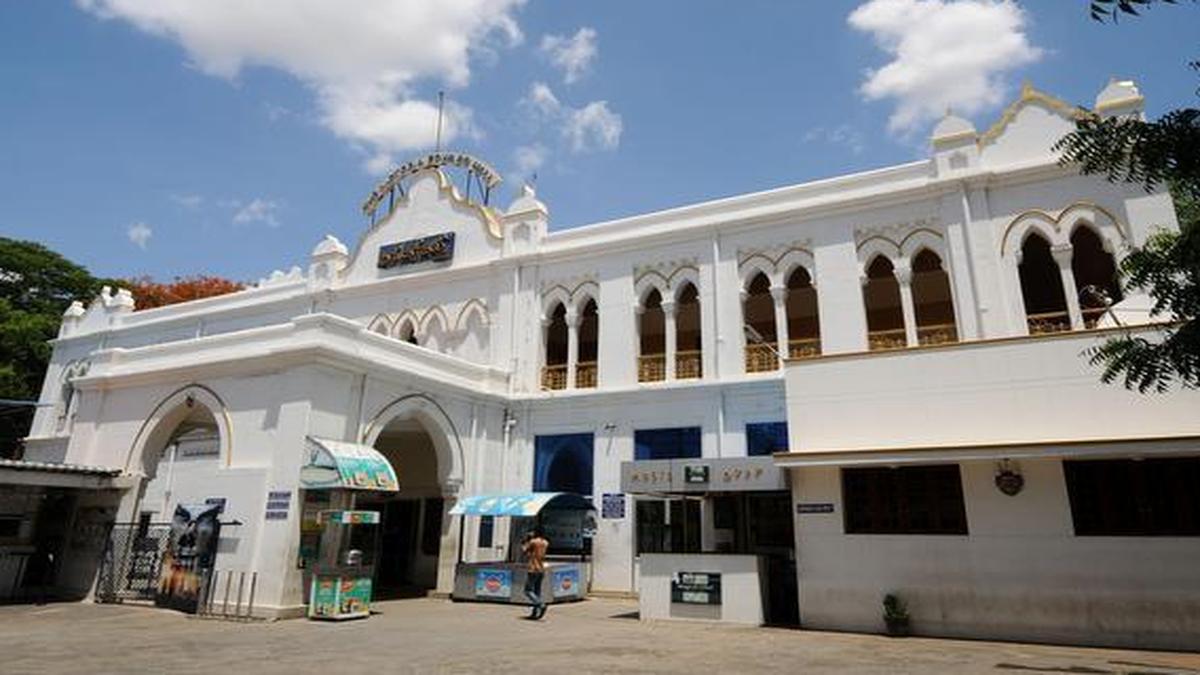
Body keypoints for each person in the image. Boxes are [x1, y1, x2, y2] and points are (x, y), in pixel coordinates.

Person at [521, 528, 549, 620]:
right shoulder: (545, 542)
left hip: (533, 568)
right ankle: (535, 613)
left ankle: (540, 604)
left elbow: (524, 550)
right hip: (541, 568)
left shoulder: (533, 542)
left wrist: (526, 540)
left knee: (528, 590)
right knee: (537, 591)